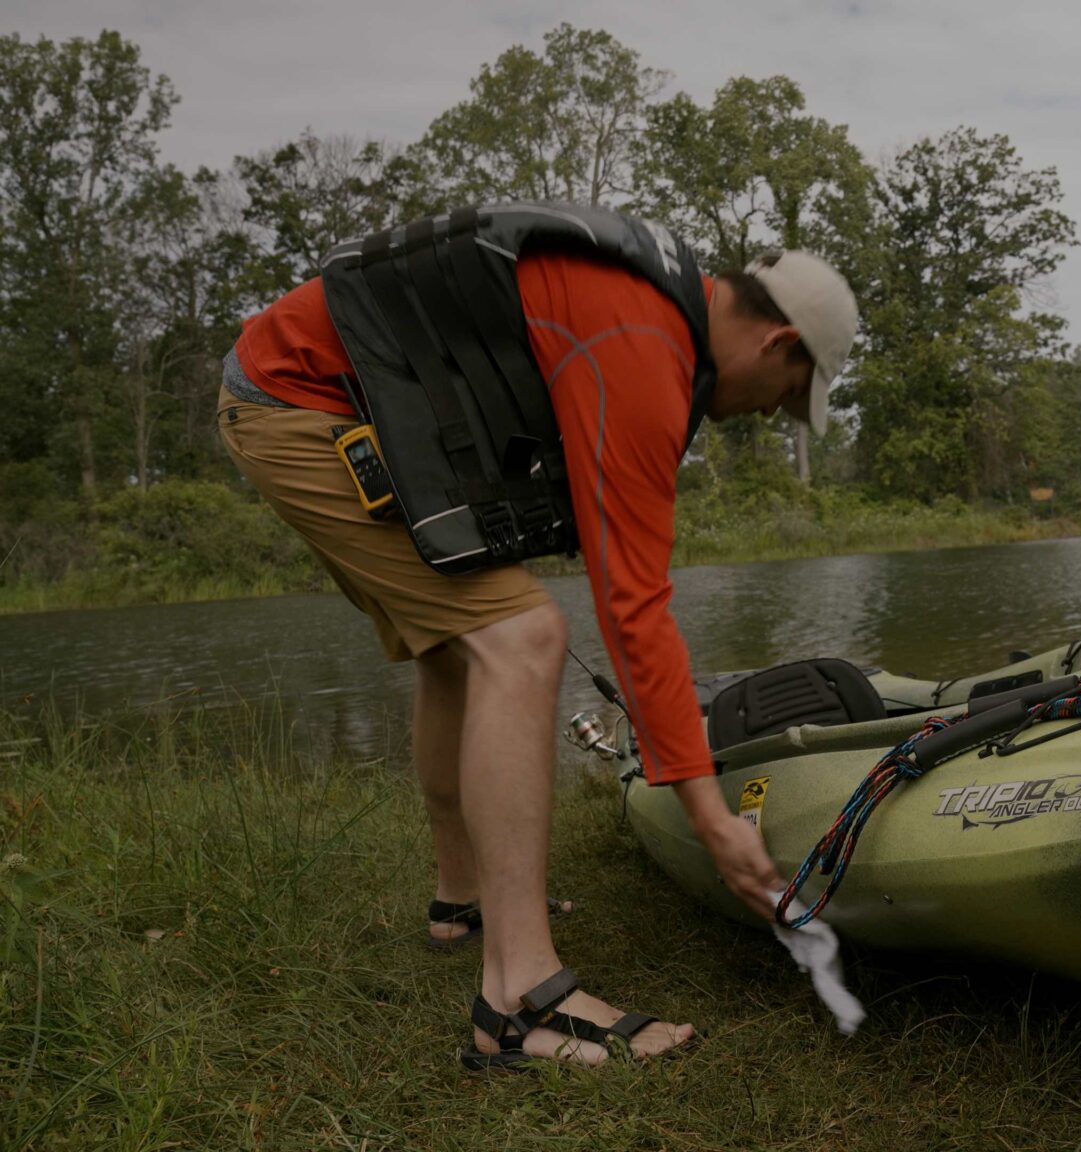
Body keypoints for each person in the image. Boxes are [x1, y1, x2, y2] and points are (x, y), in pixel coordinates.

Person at [216, 202, 858, 1070]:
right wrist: (710, 817)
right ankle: (518, 1000)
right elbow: (635, 606)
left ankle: (461, 901)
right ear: (776, 343)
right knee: (522, 636)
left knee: (459, 645)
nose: (766, 413)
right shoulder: (641, 345)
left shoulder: (651, 305)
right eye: (786, 396)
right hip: (298, 400)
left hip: (297, 385)